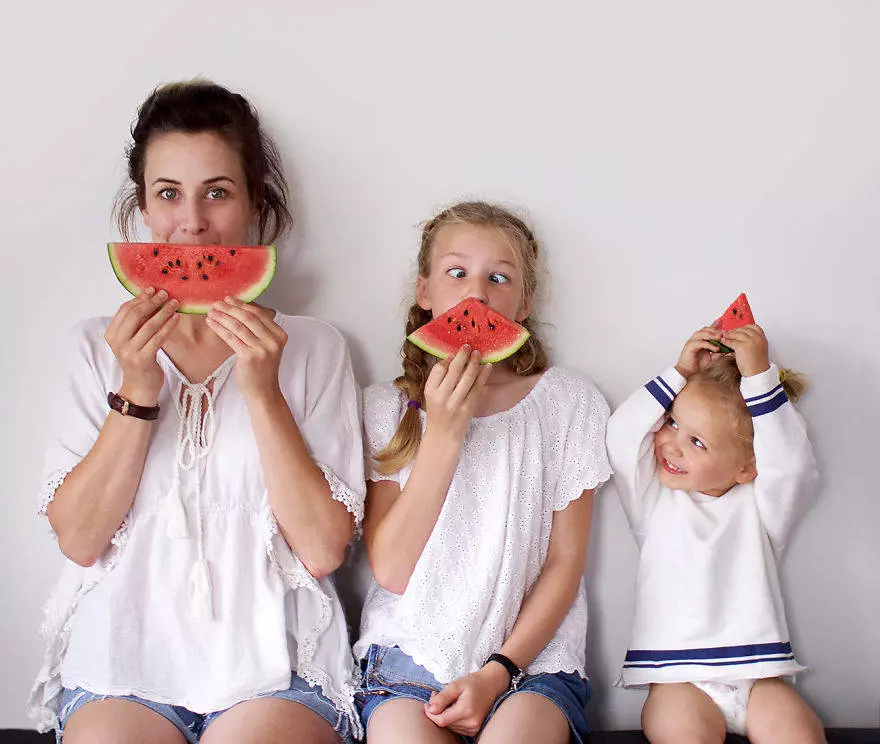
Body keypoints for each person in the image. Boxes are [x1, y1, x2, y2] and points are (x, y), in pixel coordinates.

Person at [28, 80, 365, 744]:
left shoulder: (314, 346)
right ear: (143, 209)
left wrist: (263, 390)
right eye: (168, 194)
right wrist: (137, 386)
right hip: (122, 657)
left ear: (253, 205)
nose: (192, 223)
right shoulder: (95, 348)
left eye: (217, 192)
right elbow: (81, 540)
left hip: (278, 660)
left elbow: (324, 549)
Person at [354, 201, 611, 743]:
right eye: (457, 273)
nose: (476, 296)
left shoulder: (569, 403)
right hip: (408, 657)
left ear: (524, 303)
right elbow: (393, 572)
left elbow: (566, 564)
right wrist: (444, 433)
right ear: (424, 291)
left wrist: (499, 672)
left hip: (530, 665)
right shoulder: (383, 408)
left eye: (499, 278)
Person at [607, 322, 826, 743]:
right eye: (672, 422)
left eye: (698, 442)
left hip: (758, 679)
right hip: (677, 680)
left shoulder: (761, 507)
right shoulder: (654, 501)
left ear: (748, 467)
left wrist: (761, 377)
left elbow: (793, 467)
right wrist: (677, 374)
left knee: (803, 735)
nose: (672, 444)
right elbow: (621, 436)